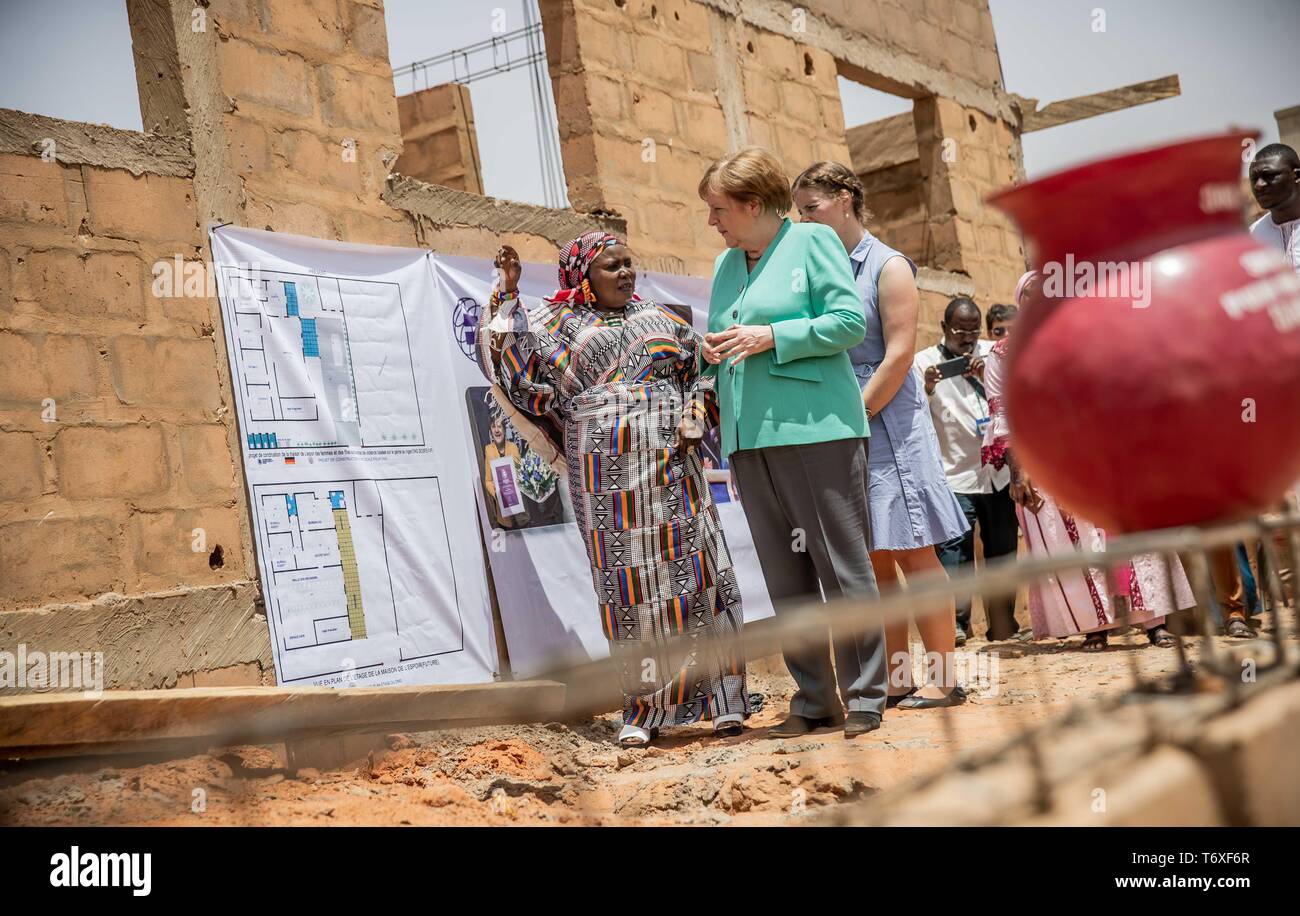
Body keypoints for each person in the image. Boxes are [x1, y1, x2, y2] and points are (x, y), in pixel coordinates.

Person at [478, 233, 749, 747]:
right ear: (583, 275)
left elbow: (704, 370)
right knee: (628, 589)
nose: (626, 273)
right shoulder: (551, 326)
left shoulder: (660, 320)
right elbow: (511, 372)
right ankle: (644, 709)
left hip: (673, 465)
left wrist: (697, 411)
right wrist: (507, 295)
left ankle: (722, 699)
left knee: (699, 575)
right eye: (611, 266)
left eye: (629, 264)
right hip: (606, 481)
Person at [698, 147, 887, 739]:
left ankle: (865, 696)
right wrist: (712, 354)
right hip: (748, 439)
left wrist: (770, 335)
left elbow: (848, 323)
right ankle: (813, 700)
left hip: (819, 431)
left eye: (719, 209)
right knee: (787, 577)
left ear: (755, 204)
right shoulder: (728, 264)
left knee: (842, 568)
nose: (713, 221)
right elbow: (725, 337)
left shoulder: (813, 243)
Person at [792, 161, 969, 710]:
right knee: (873, 559)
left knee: (915, 551)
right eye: (798, 212)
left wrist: (853, 418)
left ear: (846, 199)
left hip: (888, 420)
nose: (804, 220)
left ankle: (945, 681)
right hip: (842, 416)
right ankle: (897, 679)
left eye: (812, 208)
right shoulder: (818, 267)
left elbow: (897, 358)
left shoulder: (889, 266)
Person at [980, 272, 1194, 649]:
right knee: (1073, 543)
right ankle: (1095, 625)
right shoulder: (1002, 356)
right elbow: (1002, 414)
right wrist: (1018, 470)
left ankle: (1154, 622)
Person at [915, 297, 1021, 643]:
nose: (968, 337)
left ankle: (1003, 624)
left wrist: (986, 373)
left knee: (1002, 551)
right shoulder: (924, 363)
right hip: (956, 475)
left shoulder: (993, 354)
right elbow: (914, 413)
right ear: (945, 328)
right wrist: (928, 389)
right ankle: (957, 624)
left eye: (974, 330)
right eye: (960, 330)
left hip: (998, 473)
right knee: (954, 554)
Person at [1248, 142, 1300, 272]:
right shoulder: (1251, 237)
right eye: (1254, 179)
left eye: (1269, 176)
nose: (1259, 185)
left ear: (1297, 176)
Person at [482, 415, 529, 528]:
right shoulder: (488, 450)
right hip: (504, 513)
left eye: (499, 426)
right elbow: (488, 481)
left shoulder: (513, 447)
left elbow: (520, 474)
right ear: (490, 431)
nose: (497, 430)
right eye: (493, 427)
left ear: (504, 429)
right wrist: (496, 494)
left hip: (520, 509)